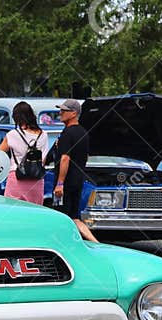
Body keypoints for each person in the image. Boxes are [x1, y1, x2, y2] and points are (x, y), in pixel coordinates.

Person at [53, 99, 98, 242]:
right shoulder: (84, 133)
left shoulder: (67, 133)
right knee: (74, 217)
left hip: (66, 182)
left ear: (73, 113)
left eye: (64, 111)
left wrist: (60, 183)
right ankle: (94, 242)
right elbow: (85, 156)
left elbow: (65, 159)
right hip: (78, 180)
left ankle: (64, 243)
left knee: (61, 216)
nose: (60, 113)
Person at [0, 101, 48, 204]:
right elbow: (43, 161)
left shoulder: (12, 135)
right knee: (35, 212)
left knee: (12, 213)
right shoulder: (44, 135)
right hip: (36, 181)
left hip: (17, 178)